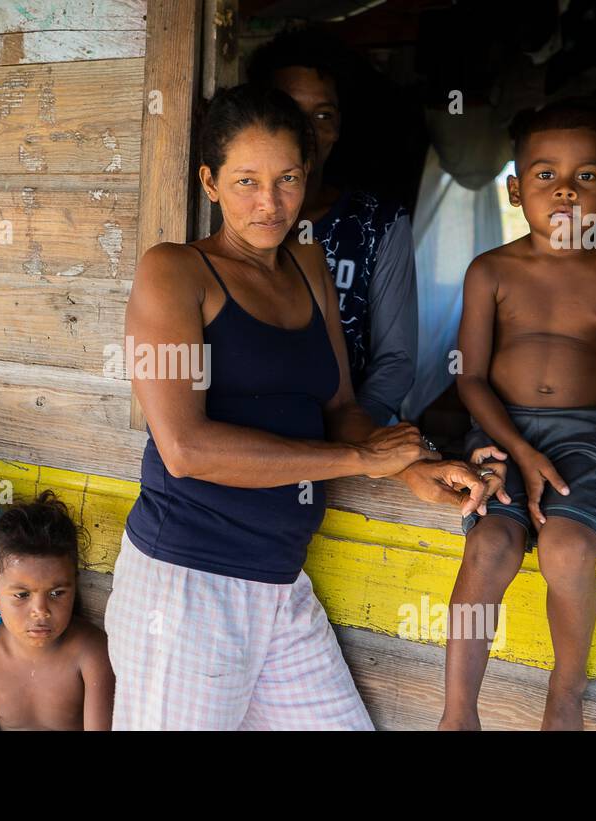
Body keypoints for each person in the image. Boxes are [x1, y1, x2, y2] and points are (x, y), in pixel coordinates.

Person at [109, 84, 502, 730]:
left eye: (288, 178)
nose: (270, 203)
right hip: (185, 586)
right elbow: (184, 448)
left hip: (280, 578)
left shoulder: (308, 267)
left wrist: (409, 466)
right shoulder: (173, 274)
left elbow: (341, 405)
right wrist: (359, 458)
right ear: (209, 182)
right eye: (245, 182)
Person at [440, 100, 596, 731]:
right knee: (489, 546)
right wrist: (521, 450)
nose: (565, 189)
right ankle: (458, 713)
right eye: (545, 175)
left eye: (586, 177)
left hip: (586, 441)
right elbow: (471, 376)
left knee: (568, 551)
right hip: (500, 436)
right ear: (515, 190)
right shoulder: (490, 271)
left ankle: (564, 696)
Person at [249, 28, 418, 425]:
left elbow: (396, 361)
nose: (306, 130)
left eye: (323, 115)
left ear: (339, 127)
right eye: (289, 109)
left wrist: (345, 438)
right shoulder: (234, 215)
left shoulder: (379, 222)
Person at [0, 491, 114, 730]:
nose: (40, 611)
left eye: (57, 593)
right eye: (22, 595)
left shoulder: (91, 652)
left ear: (74, 585)